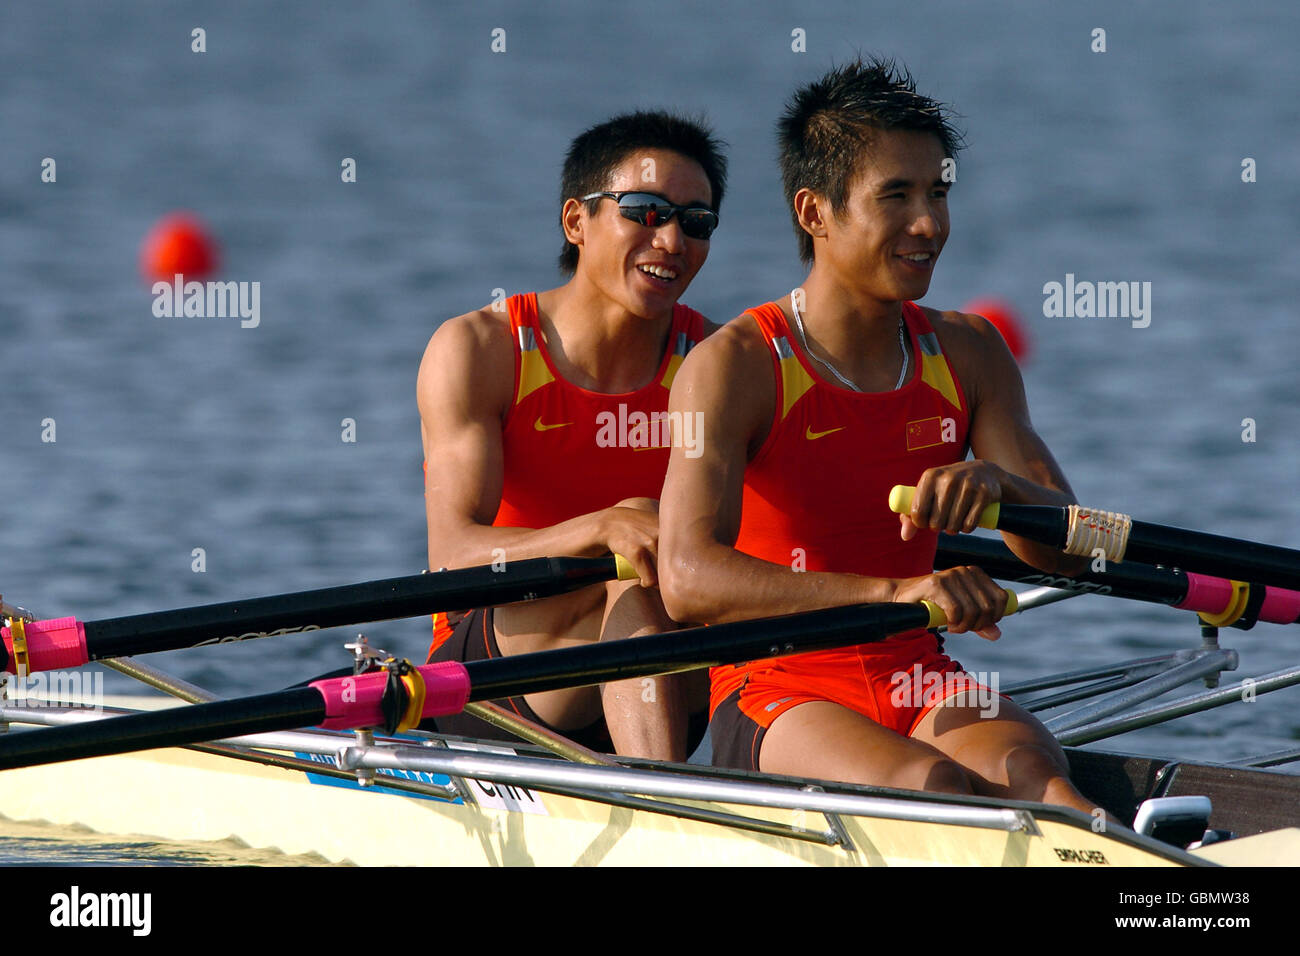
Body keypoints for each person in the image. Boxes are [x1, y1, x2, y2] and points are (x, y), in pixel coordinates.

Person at [658, 59, 1101, 815]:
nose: (929, 223)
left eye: (938, 192)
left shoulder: (970, 352)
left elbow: (1075, 549)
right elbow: (687, 579)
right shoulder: (733, 368)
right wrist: (895, 590)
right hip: (775, 684)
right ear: (815, 212)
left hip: (915, 670)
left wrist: (1004, 491)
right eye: (895, 196)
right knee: (930, 793)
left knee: (1044, 784)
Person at [417, 111, 725, 760]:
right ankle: (667, 803)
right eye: (645, 210)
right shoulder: (482, 350)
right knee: (630, 561)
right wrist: (600, 528)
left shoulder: (719, 362)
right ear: (575, 221)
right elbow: (451, 555)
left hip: (671, 672)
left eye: (695, 222)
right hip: (499, 686)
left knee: (645, 572)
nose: (672, 240)